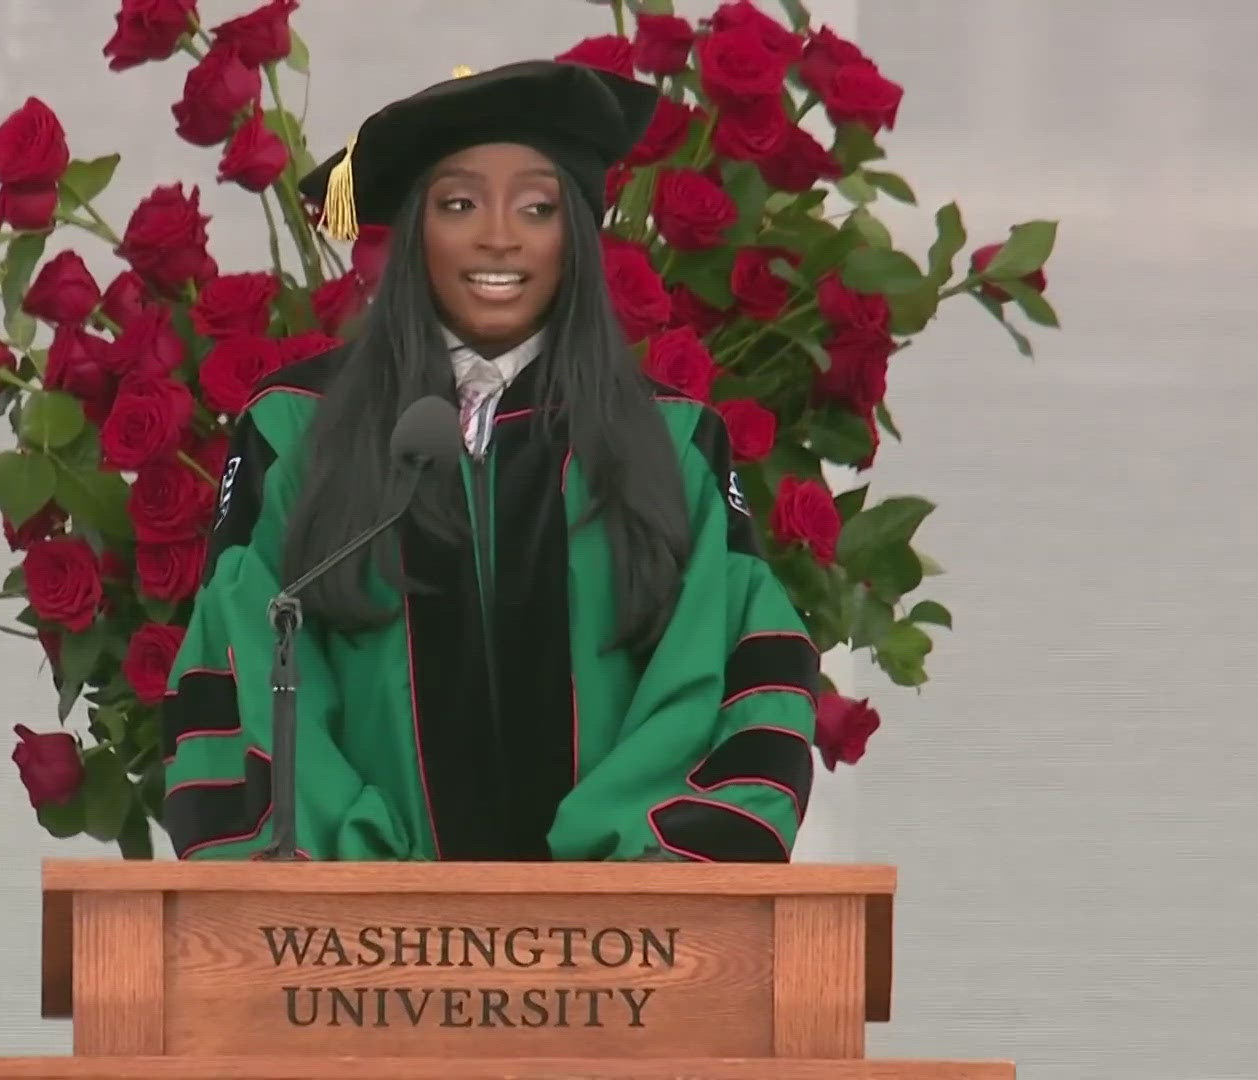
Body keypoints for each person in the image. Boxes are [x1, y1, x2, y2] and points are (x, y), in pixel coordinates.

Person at [158, 60, 819, 862]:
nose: (499, 235)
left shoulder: (671, 442)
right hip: (351, 957)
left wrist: (610, 882)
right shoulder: (299, 429)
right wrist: (366, 880)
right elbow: (243, 659)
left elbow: (729, 664)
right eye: (460, 203)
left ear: (575, 235)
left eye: (537, 207)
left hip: (620, 956)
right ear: (415, 234)